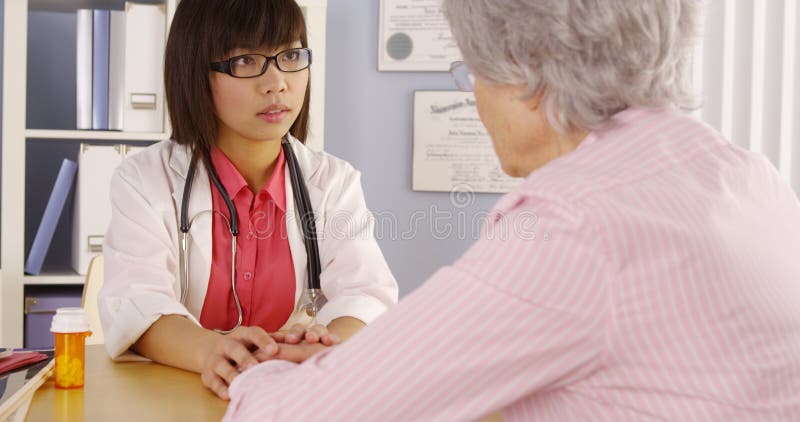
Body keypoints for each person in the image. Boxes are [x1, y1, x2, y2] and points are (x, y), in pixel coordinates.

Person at [223, 0, 800, 420]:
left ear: (525, 71)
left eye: (474, 73)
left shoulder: (577, 225)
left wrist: (261, 371)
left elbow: (302, 416)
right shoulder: (748, 177)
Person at [98, 0, 398, 400]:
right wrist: (213, 353)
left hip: (296, 397)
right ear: (195, 74)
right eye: (245, 60)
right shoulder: (145, 180)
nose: (276, 82)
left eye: (290, 55)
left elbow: (366, 294)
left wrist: (322, 346)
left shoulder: (333, 182)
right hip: (181, 397)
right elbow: (137, 302)